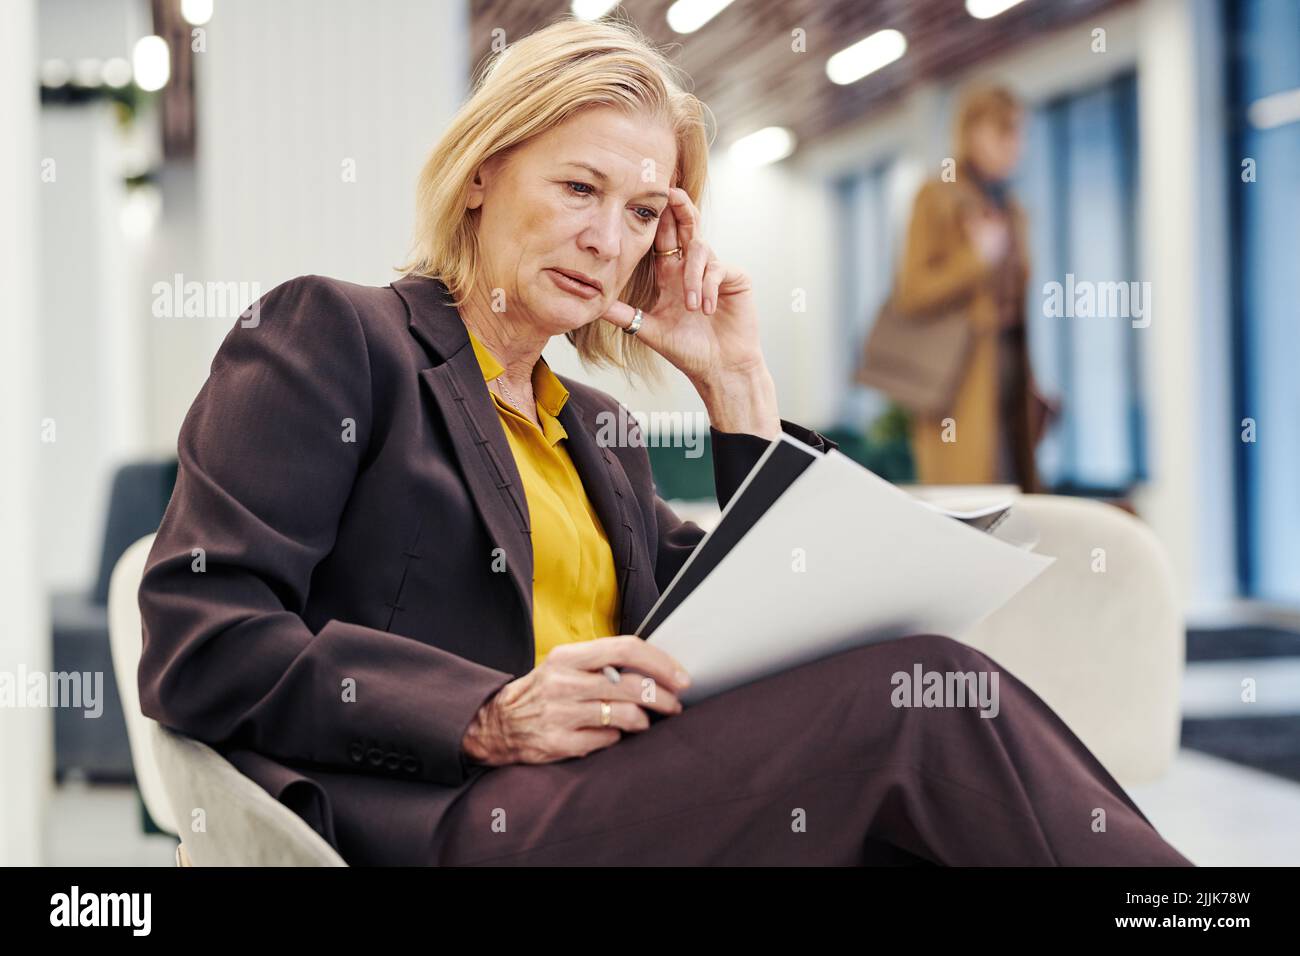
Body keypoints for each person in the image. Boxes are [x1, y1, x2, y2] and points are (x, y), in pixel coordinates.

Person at [137, 17, 1189, 866]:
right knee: (913, 705)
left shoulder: (598, 432)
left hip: (619, 800)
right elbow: (201, 634)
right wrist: (484, 714)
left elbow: (778, 619)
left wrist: (735, 382)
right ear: (481, 177)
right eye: (578, 188)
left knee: (921, 727)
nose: (607, 238)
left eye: (643, 212)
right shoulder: (335, 336)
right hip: (457, 816)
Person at [894, 84, 1056, 492]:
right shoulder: (937, 196)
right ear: (971, 133)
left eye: (1019, 133)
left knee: (1016, 504)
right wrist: (974, 260)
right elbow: (912, 292)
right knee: (968, 507)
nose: (1015, 146)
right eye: (1003, 132)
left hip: (1010, 380)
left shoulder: (1010, 207)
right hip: (958, 386)